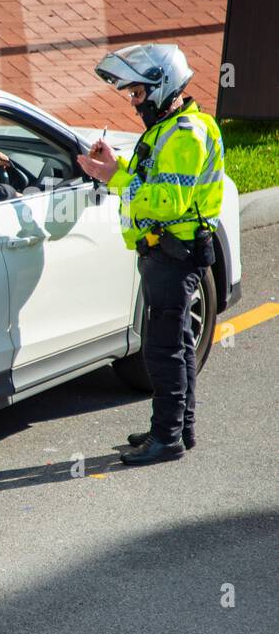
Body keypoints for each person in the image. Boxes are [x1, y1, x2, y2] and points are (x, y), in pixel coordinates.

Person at [77, 44, 224, 466]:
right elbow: (153, 179)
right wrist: (117, 166)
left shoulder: (184, 135)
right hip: (169, 255)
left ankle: (167, 438)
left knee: (162, 352)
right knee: (175, 345)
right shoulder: (172, 128)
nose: (134, 101)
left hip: (173, 257)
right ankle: (180, 427)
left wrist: (114, 180)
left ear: (162, 87)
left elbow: (168, 201)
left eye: (138, 93)